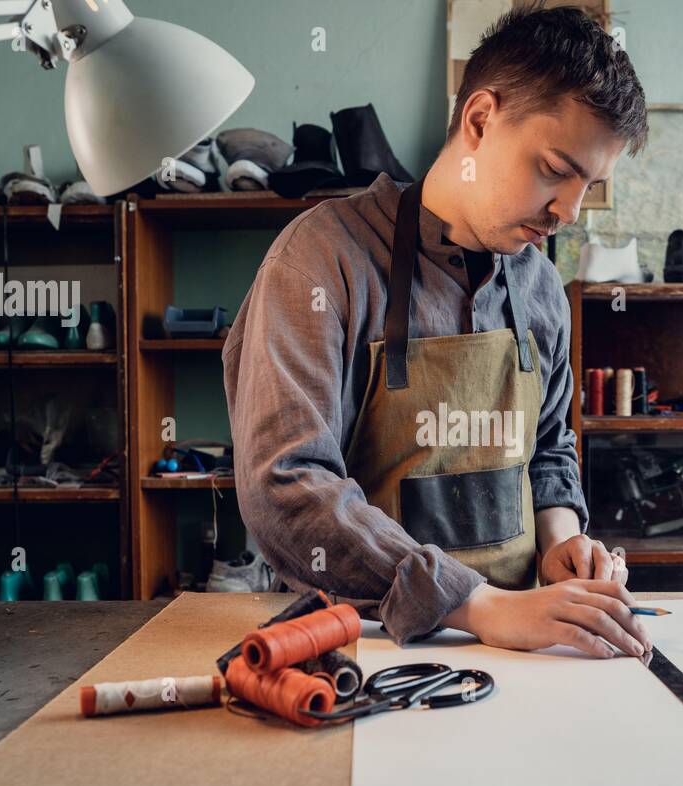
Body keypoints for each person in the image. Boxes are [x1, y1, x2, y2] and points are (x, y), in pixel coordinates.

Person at [223, 4, 651, 658]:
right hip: (373, 650)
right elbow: (287, 483)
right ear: (480, 120)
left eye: (588, 185)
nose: (567, 210)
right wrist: (478, 606)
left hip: (528, 649)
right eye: (555, 169)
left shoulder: (540, 289)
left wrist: (562, 540)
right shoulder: (322, 261)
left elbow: (549, 454)